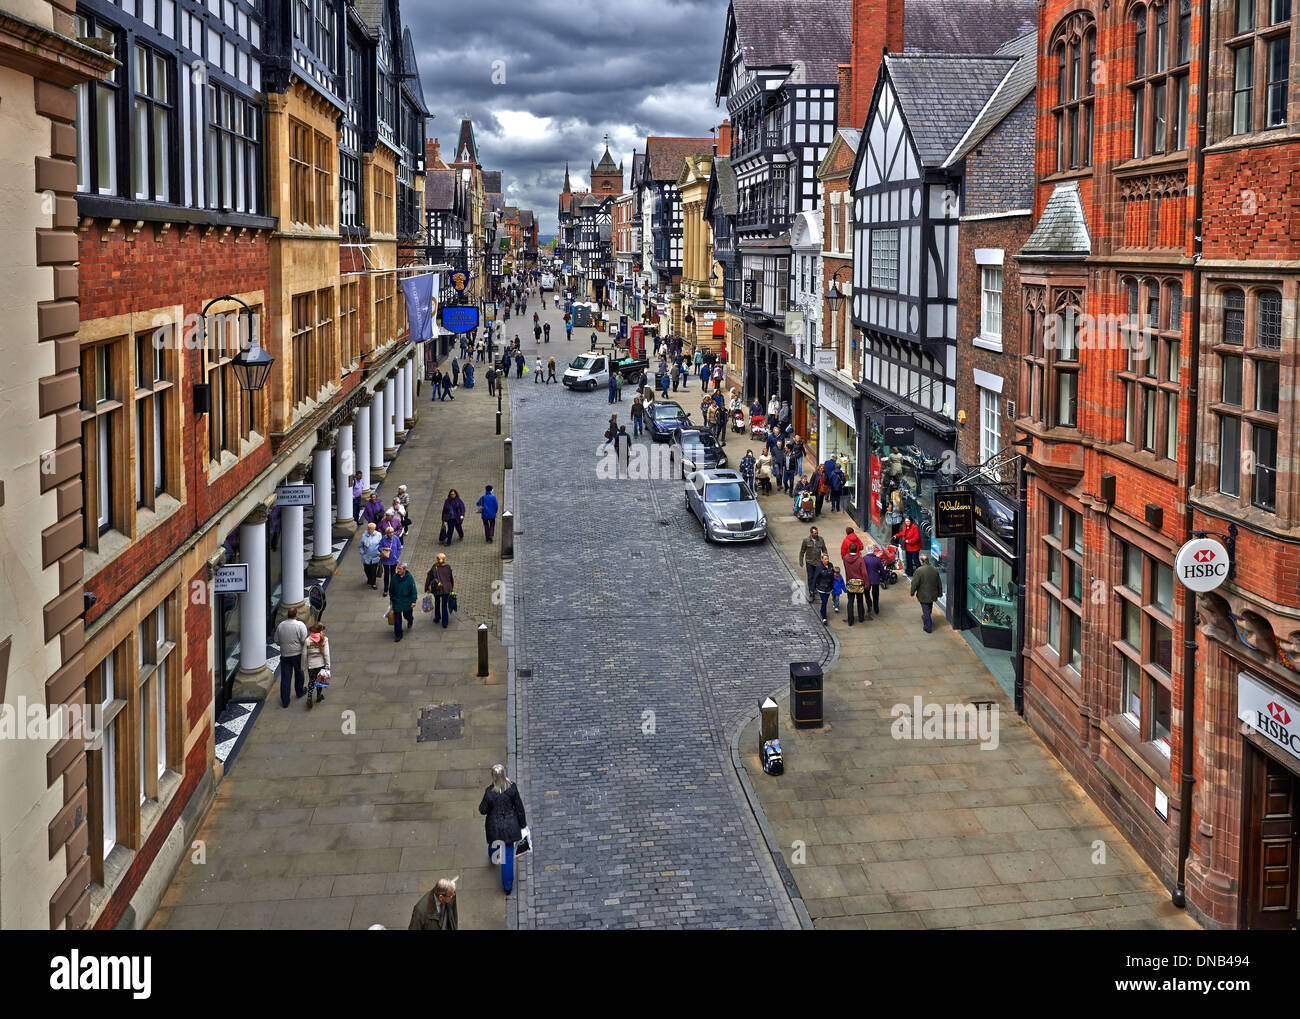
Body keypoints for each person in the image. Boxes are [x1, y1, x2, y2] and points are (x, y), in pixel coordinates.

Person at [479, 764, 528, 895]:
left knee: (495, 845)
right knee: (507, 856)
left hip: (494, 827)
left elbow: (482, 810)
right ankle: (507, 886)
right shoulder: (512, 787)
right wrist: (523, 825)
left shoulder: (489, 792)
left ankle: (493, 854)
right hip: (510, 827)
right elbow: (519, 808)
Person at [274, 607, 310, 707]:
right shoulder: (300, 625)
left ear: (287, 615)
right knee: (299, 673)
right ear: (296, 615)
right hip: (297, 654)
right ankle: (299, 692)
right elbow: (303, 640)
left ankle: (285, 701)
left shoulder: (281, 625)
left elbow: (276, 640)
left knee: (285, 678)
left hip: (285, 655)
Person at [909, 553, 943, 633]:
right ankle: (926, 617)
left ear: (922, 561)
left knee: (926, 610)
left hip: (923, 595)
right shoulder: (934, 569)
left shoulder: (919, 570)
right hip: (932, 594)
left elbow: (915, 583)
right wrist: (940, 593)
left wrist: (912, 592)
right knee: (929, 608)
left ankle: (928, 626)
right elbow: (939, 583)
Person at [303, 622, 330, 708]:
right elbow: (326, 654)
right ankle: (318, 696)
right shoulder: (324, 639)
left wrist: (303, 665)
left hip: (311, 665)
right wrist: (327, 665)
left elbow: (304, 654)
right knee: (320, 681)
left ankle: (309, 697)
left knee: (312, 680)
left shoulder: (307, 640)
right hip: (321, 664)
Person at [389, 562, 418, 642]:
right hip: (397, 602)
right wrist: (391, 599)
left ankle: (410, 620)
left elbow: (413, 590)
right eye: (397, 568)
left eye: (400, 569)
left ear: (404, 570)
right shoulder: (394, 577)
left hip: (407, 601)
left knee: (407, 615)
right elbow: (391, 589)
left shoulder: (409, 578)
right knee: (397, 620)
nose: (398, 570)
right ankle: (398, 635)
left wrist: (413, 601)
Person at [424, 553, 454, 628]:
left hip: (437, 589)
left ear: (437, 559)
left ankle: (437, 618)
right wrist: (451, 587)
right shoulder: (448, 567)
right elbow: (451, 578)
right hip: (447, 589)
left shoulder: (434, 567)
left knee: (437, 602)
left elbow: (429, 577)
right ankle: (445, 623)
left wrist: (426, 588)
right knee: (444, 605)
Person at [799, 526, 828, 604]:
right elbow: (802, 551)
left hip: (818, 562)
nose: (816, 534)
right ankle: (811, 593)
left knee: (818, 577)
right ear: (811, 533)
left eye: (817, 533)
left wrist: (825, 558)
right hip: (809, 562)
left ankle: (816, 588)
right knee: (811, 578)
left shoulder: (821, 540)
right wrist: (801, 561)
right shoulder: (806, 541)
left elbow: (824, 549)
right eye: (815, 533)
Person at [843, 549, 870, 625]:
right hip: (859, 583)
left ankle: (850, 621)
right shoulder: (860, 559)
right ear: (856, 550)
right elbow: (864, 572)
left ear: (849, 550)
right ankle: (861, 618)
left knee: (850, 602)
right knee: (860, 601)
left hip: (850, 582)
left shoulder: (845, 558)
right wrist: (867, 583)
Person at [811, 552, 836, 625]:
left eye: (827, 559)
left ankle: (822, 611)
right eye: (825, 559)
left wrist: (833, 585)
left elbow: (832, 576)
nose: (827, 560)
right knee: (824, 601)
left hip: (829, 587)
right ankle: (824, 617)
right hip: (821, 587)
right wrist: (812, 589)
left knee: (825, 602)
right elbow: (815, 577)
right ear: (822, 559)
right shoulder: (819, 567)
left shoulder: (831, 565)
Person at [378, 526, 402, 594]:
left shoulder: (396, 538)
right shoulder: (383, 539)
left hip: (394, 559)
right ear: (387, 533)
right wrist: (384, 548)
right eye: (390, 532)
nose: (392, 534)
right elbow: (379, 547)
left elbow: (399, 548)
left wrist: (397, 556)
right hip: (386, 559)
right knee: (386, 574)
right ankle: (385, 589)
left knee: (393, 574)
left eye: (392, 532)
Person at [359, 521, 382, 590]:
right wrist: (362, 553)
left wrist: (379, 552)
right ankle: (369, 579)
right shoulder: (364, 535)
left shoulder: (378, 535)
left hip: (375, 556)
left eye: (371, 529)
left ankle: (373, 583)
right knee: (366, 569)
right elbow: (360, 546)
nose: (370, 530)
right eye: (369, 528)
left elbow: (381, 544)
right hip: (366, 556)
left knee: (373, 570)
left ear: (374, 529)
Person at [864, 545, 884, 617]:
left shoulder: (864, 558)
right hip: (875, 579)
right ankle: (876, 608)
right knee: (875, 594)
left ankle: (869, 604)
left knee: (866, 593)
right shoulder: (877, 559)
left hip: (867, 579)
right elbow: (882, 570)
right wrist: (882, 577)